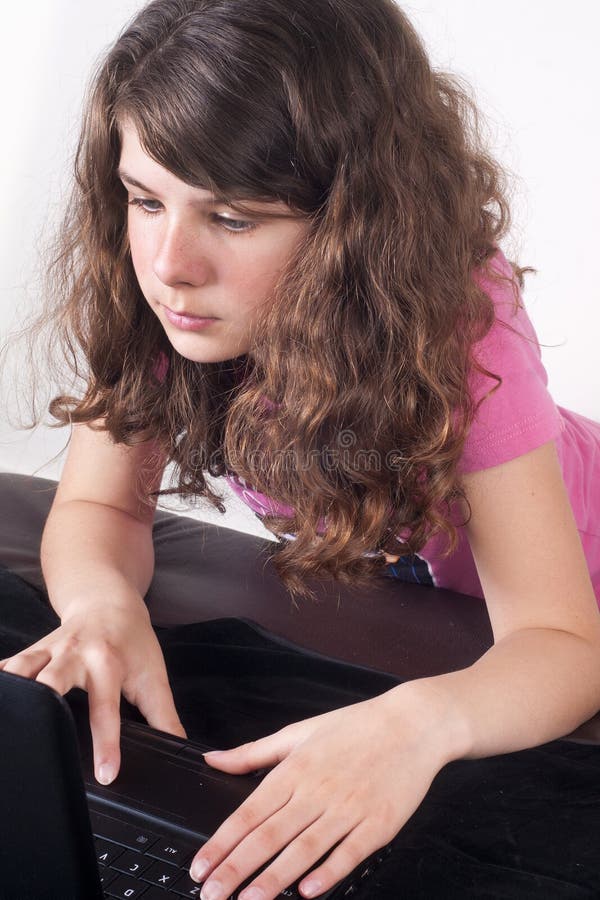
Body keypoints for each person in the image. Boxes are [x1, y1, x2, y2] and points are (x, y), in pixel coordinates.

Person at [1, 1, 600, 898]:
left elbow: (559, 639)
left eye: (233, 218)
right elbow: (98, 504)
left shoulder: (458, 326)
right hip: (424, 597)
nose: (170, 262)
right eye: (144, 198)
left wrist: (414, 725)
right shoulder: (164, 296)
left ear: (357, 225)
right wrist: (98, 603)